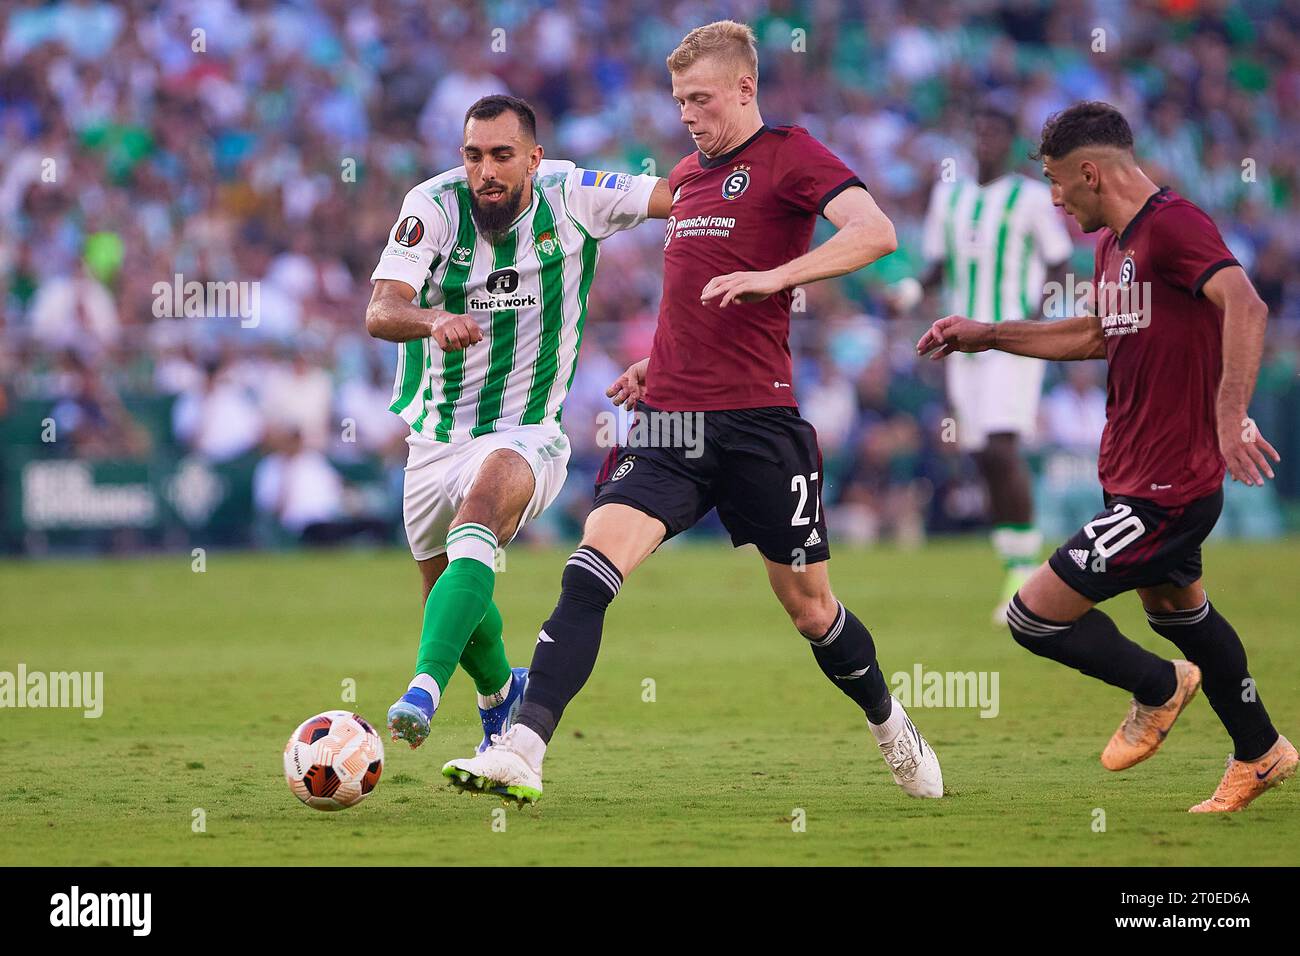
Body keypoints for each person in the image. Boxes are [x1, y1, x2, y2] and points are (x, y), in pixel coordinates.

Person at [444, 21, 943, 803]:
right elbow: (693, 295)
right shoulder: (688, 177)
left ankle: (890, 725)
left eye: (701, 98)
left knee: (811, 610)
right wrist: (659, 362)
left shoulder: (791, 154)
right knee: (588, 570)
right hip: (674, 422)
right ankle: (523, 748)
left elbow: (874, 233)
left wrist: (779, 276)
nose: (688, 114)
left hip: (761, 428)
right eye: (679, 100)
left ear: (745, 89)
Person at [916, 101, 1294, 812]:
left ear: (1091, 172)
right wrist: (989, 333)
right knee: (1185, 618)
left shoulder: (1174, 227)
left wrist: (1229, 413)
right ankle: (1262, 752)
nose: (1054, 199)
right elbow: (1097, 334)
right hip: (1132, 475)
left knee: (1034, 616)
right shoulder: (1114, 243)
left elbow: (1245, 304)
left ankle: (1158, 687)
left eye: (1059, 183)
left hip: (1169, 486)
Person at [366, 94, 670, 755]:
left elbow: (677, 200)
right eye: (474, 156)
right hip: (435, 436)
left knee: (480, 510)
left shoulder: (574, 194)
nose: (487, 173)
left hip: (528, 430)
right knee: (449, 596)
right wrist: (433, 319)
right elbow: (382, 310)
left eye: (503, 157)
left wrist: (740, 181)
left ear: (533, 159)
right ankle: (502, 695)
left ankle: (423, 688)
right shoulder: (434, 205)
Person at [901, 103, 1074, 624]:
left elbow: (1060, 262)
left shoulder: (1028, 198)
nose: (984, 140)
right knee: (979, 451)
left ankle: (1027, 573)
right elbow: (935, 266)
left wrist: (1035, 322)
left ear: (1009, 139)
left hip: (1011, 340)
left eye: (994, 132)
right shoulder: (949, 197)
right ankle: (1015, 563)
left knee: (1001, 445)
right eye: (977, 130)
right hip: (961, 343)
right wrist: (908, 292)